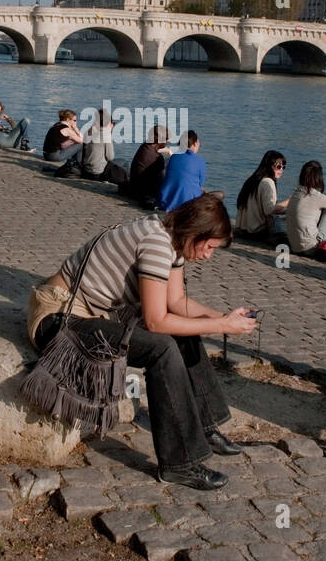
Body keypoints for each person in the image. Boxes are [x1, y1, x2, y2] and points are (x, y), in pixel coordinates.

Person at [24, 195, 257, 490]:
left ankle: (203, 425)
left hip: (93, 313)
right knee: (162, 348)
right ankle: (179, 463)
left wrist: (224, 318)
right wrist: (222, 325)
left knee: (184, 334)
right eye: (209, 247)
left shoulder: (172, 240)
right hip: (57, 319)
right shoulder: (157, 244)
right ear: (195, 233)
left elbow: (176, 301)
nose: (210, 255)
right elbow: (156, 322)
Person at [285, 160, 326, 255]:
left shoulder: (295, 194)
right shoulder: (316, 196)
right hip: (312, 247)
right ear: (319, 178)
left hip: (295, 247)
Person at [236, 150, 289, 241]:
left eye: (283, 167)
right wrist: (289, 202)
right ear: (269, 166)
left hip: (243, 229)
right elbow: (269, 210)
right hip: (256, 231)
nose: (281, 170)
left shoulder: (253, 180)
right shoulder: (268, 182)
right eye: (278, 166)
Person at [120, 124, 171, 206]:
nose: (168, 142)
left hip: (134, 187)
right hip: (144, 192)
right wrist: (171, 156)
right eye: (167, 139)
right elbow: (163, 179)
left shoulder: (144, 147)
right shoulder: (157, 158)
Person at [158, 130, 209, 212]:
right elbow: (199, 184)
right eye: (198, 143)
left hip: (166, 203)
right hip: (188, 205)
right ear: (195, 143)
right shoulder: (200, 161)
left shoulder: (173, 157)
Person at [79, 108, 125, 181]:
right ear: (109, 123)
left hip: (85, 171)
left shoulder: (88, 132)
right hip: (98, 173)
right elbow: (110, 157)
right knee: (124, 162)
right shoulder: (106, 135)